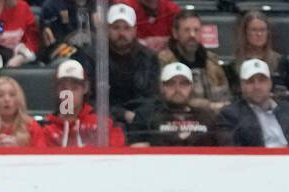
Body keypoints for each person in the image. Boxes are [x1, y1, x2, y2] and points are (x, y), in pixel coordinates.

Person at [216, 58, 289, 147]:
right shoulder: (229, 115)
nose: (257, 86)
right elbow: (231, 152)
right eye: (250, 81)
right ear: (242, 85)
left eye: (262, 80)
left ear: (270, 83)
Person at [157, 11, 231, 114]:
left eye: (196, 30)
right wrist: (207, 106)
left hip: (215, 122)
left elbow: (225, 96)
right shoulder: (162, 61)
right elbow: (163, 98)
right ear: (175, 33)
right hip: (176, 118)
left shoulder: (212, 60)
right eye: (187, 30)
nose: (192, 35)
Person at [42, 58, 128, 147]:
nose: (68, 94)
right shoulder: (46, 129)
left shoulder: (102, 124)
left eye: (74, 88)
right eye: (63, 89)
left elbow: (116, 155)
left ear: (85, 88)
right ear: (57, 91)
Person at [129, 62, 218, 146]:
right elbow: (137, 152)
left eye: (183, 83)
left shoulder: (206, 116)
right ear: (162, 87)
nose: (177, 89)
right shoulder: (146, 116)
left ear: (191, 87)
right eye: (171, 83)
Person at [105, 3, 159, 132]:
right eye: (116, 27)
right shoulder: (94, 57)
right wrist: (122, 114)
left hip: (141, 122)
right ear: (107, 29)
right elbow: (90, 100)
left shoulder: (149, 57)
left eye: (126, 28)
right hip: (105, 122)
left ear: (135, 29)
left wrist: (138, 117)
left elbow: (152, 97)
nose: (121, 33)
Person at [229, 11, 288, 99]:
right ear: (245, 33)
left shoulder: (281, 62)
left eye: (262, 30)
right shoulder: (234, 65)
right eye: (254, 30)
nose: (259, 34)